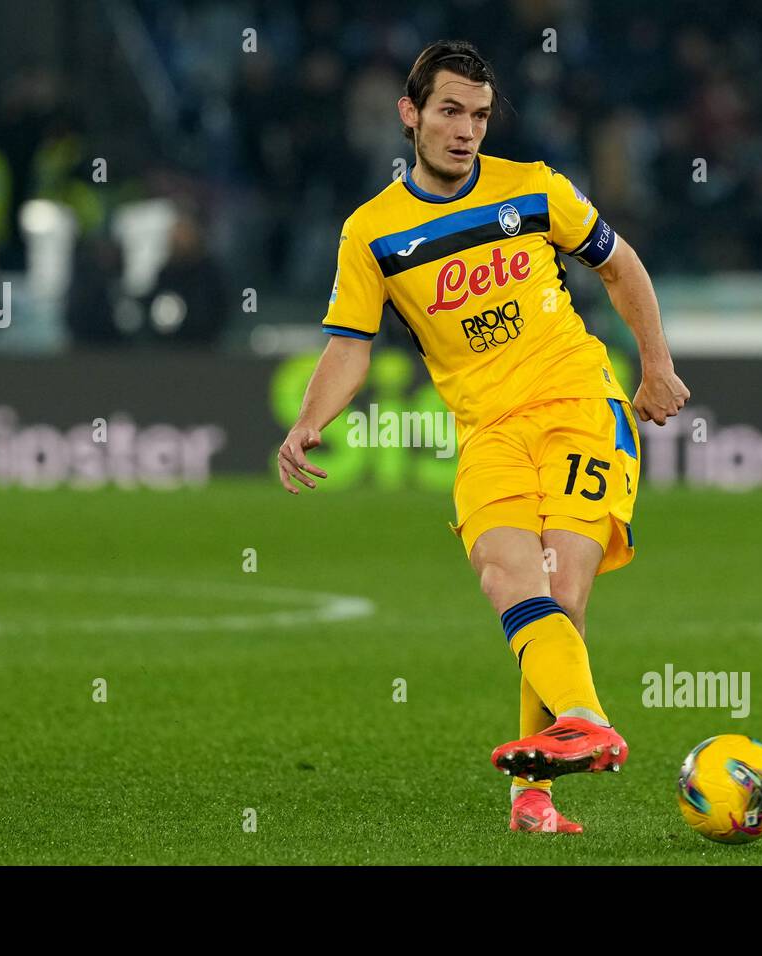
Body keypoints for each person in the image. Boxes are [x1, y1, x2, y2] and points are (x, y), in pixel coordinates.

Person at [277, 41, 689, 834]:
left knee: (561, 592)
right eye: (450, 111)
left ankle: (559, 756)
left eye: (478, 114)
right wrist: (309, 418)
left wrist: (655, 365)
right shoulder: (372, 233)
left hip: (578, 405)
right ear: (411, 114)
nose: (467, 130)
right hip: (488, 431)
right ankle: (561, 758)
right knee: (510, 583)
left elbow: (620, 264)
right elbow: (350, 344)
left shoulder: (534, 189)